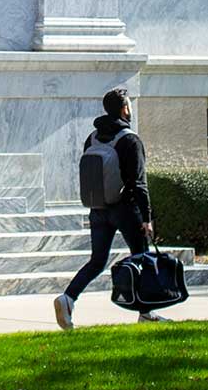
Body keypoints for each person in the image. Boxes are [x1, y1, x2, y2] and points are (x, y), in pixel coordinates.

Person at [55, 87, 157, 330]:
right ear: (124, 109)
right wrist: (146, 218)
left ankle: (68, 298)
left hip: (98, 208)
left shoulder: (92, 138)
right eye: (129, 105)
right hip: (125, 208)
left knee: (97, 260)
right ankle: (146, 312)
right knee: (141, 256)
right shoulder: (130, 140)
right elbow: (138, 183)